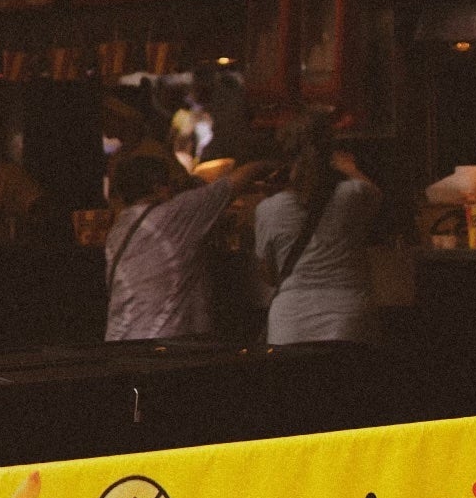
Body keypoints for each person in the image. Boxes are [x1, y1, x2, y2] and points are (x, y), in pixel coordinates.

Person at [103, 148, 265, 344]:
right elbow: (233, 183)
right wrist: (270, 164)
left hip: (119, 341)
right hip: (161, 343)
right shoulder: (173, 215)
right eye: (174, 184)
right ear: (159, 187)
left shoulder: (118, 228)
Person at [254, 111, 382, 349]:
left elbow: (270, 275)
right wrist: (348, 166)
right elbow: (375, 196)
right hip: (347, 321)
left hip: (290, 325)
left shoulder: (268, 209)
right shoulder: (352, 194)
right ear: (330, 150)